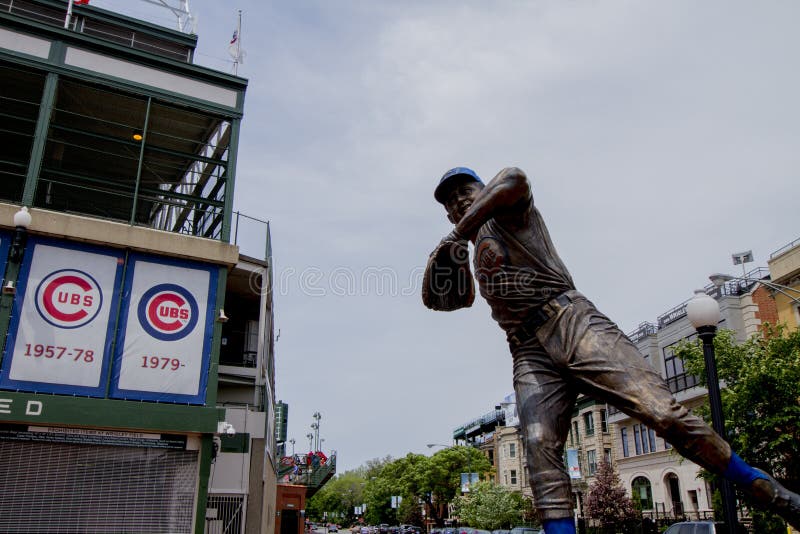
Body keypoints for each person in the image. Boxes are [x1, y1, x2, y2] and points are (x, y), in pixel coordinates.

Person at [431, 166, 800, 534]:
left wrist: (457, 233)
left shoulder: (510, 214)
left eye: (465, 191)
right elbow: (449, 300)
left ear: (483, 190)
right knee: (538, 444)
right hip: (527, 350)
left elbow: (515, 178)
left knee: (662, 414)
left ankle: (770, 492)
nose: (459, 201)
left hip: (570, 321)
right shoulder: (469, 250)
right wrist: (450, 253)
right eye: (450, 202)